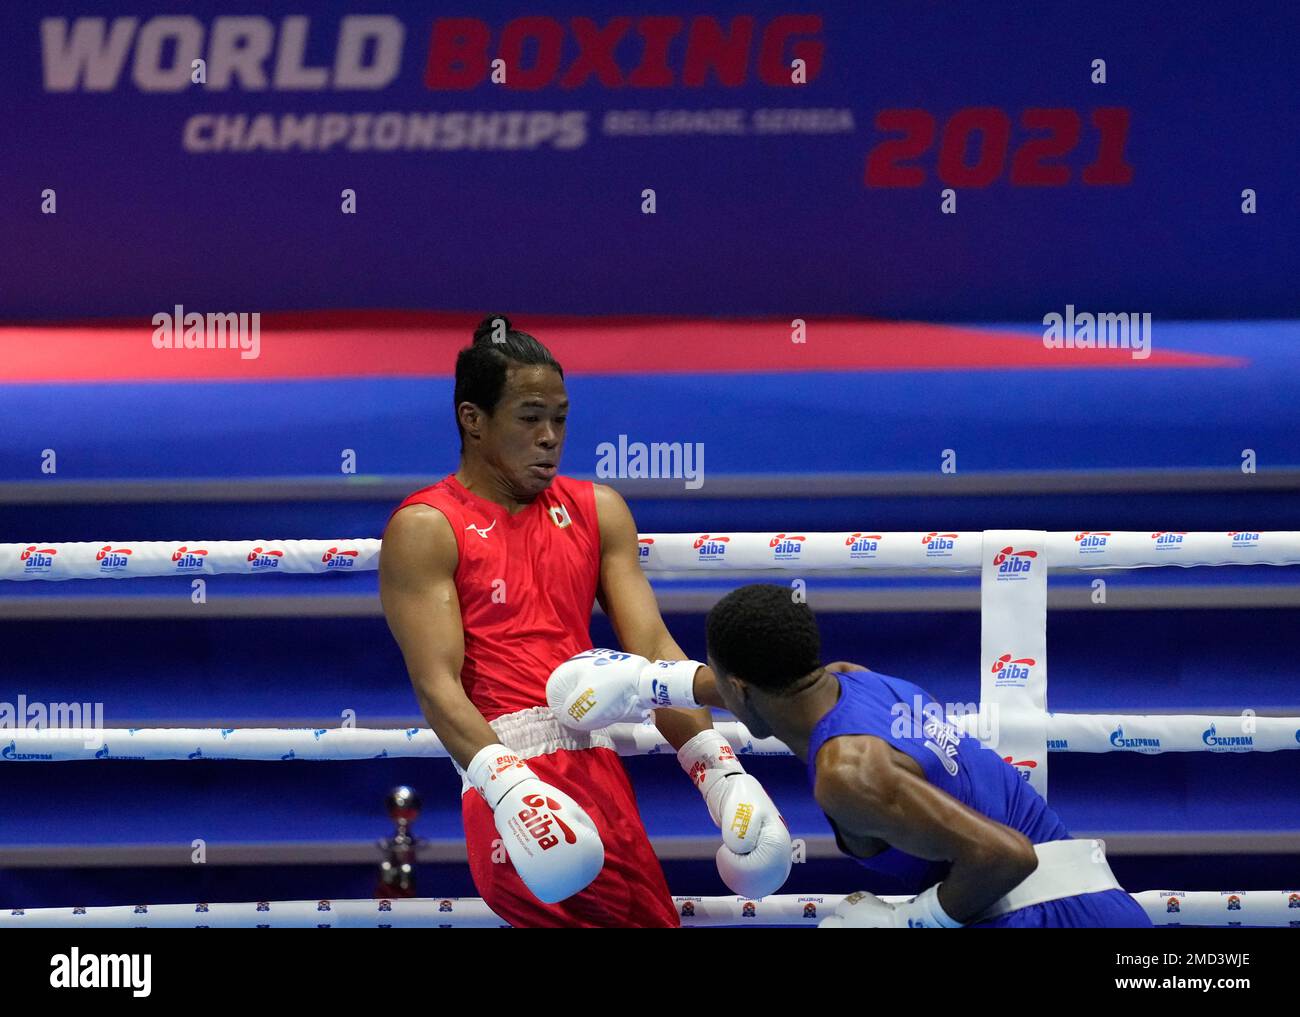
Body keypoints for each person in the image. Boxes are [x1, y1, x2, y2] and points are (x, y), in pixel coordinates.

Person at [379, 316, 791, 928]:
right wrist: (511, 789)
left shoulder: (597, 510)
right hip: (509, 775)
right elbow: (437, 686)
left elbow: (652, 649)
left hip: (599, 769)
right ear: (473, 419)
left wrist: (717, 769)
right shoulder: (427, 527)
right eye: (529, 418)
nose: (550, 437)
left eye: (561, 419)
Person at [552, 583, 1153, 928]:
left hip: (1044, 915)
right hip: (1085, 903)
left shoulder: (847, 775)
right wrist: (651, 685)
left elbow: (1005, 856)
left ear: (739, 687)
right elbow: (759, 686)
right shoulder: (856, 681)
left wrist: (908, 924)